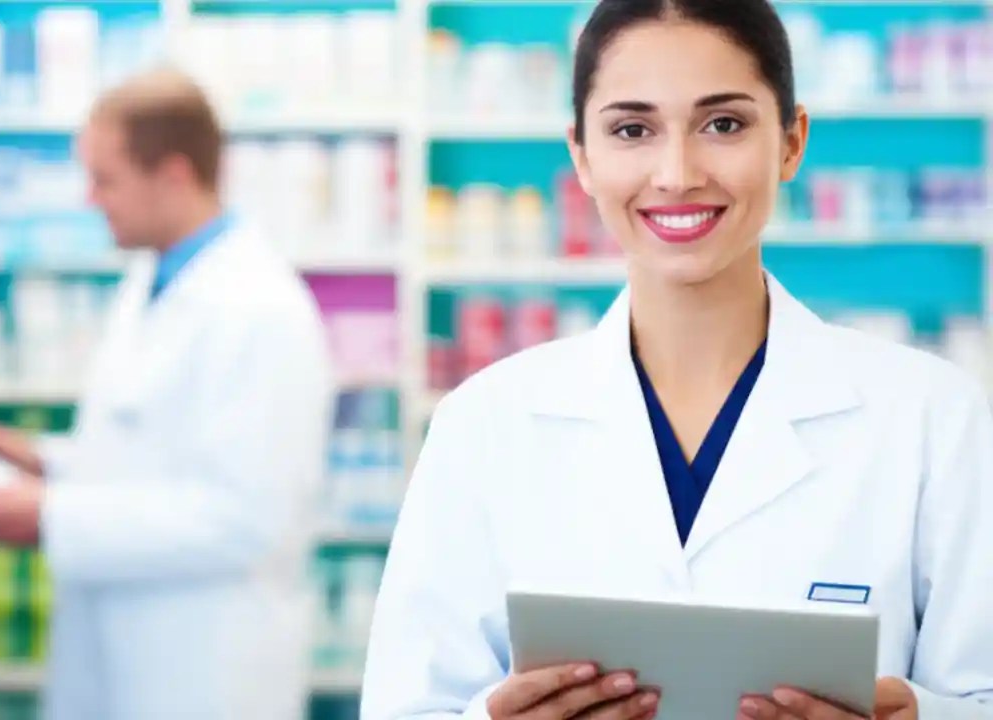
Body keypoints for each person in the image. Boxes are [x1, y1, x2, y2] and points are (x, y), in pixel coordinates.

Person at [361, 1, 993, 719]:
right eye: (633, 130)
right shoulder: (483, 423)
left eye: (723, 124)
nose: (677, 174)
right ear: (582, 156)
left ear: (791, 142)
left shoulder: (932, 417)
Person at [0, 69, 334, 719]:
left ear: (173, 176)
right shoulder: (152, 281)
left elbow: (246, 518)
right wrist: (48, 462)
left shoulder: (261, 307)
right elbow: (154, 452)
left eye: (105, 180)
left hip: (202, 672)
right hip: (126, 652)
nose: (90, 200)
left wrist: (52, 515)